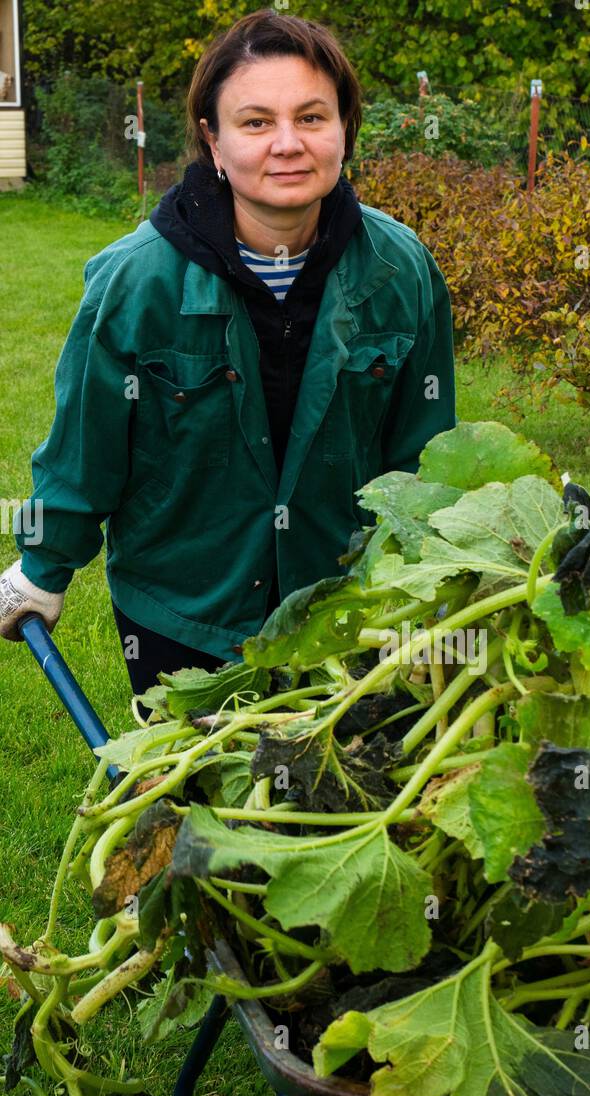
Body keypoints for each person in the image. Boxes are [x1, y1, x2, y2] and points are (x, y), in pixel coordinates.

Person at [0, 10, 456, 693]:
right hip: (183, 614)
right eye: (255, 122)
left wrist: (428, 574)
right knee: (187, 798)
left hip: (347, 609)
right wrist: (42, 567)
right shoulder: (137, 280)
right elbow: (85, 447)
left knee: (335, 793)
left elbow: (423, 451)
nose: (287, 144)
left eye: (311, 118)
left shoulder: (401, 270)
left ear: (344, 131)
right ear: (213, 141)